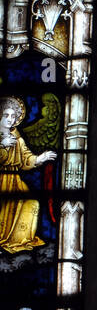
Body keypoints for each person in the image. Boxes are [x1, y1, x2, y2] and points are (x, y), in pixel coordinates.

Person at [0, 97, 56, 253]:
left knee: (32, 203)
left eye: (13, 116)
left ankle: (17, 240)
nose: (10, 120)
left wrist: (41, 158)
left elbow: (26, 159)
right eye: (6, 115)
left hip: (13, 180)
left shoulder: (18, 139)